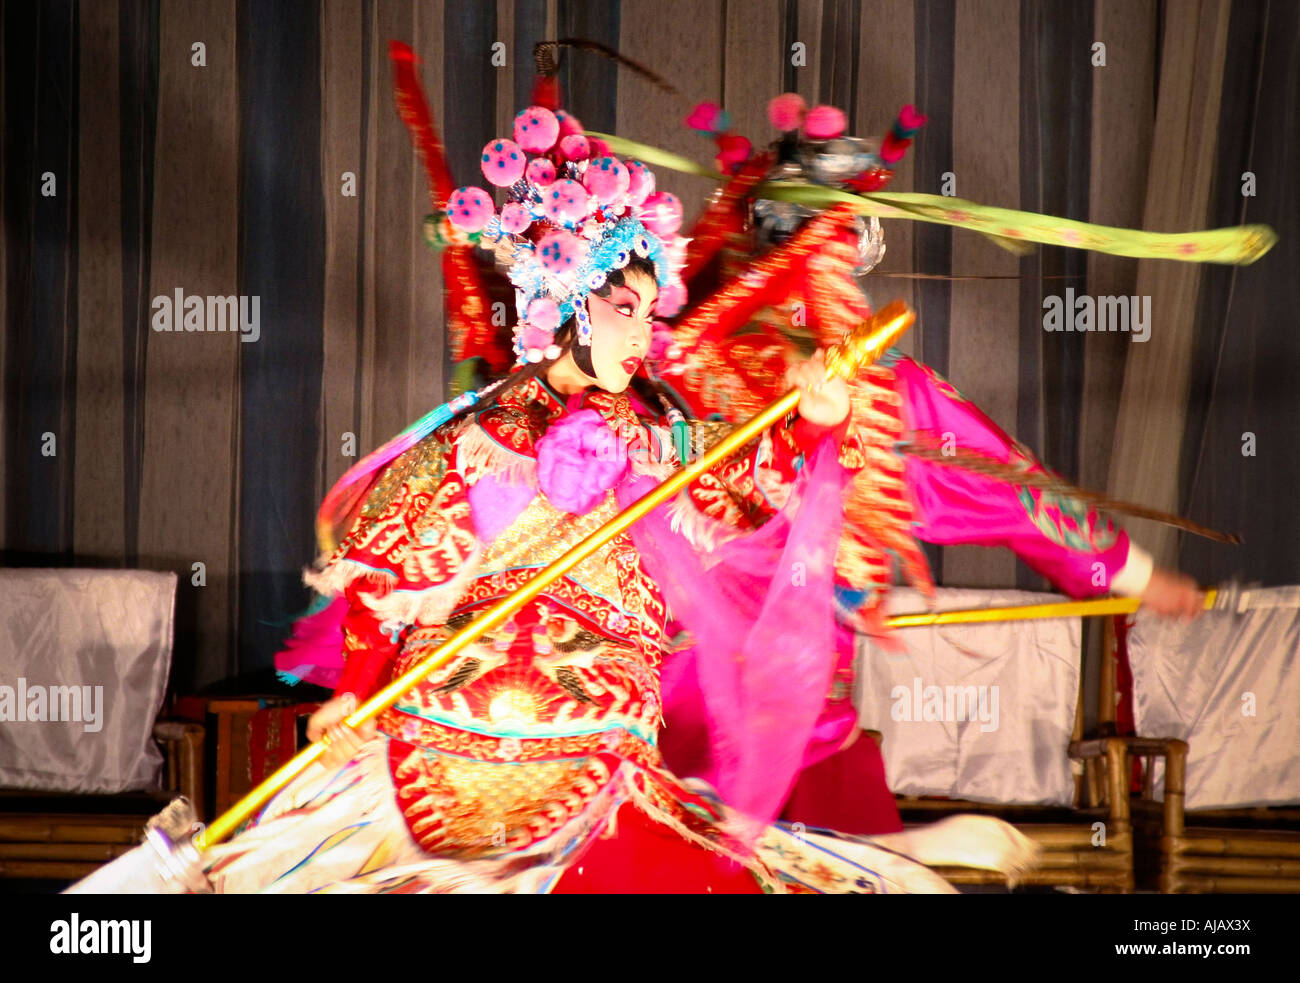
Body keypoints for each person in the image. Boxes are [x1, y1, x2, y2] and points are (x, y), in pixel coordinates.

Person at [204, 96, 1036, 895]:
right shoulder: (477, 437)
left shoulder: (658, 434)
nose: (645, 334)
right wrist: (352, 693)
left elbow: (744, 484)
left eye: (649, 311)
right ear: (566, 306)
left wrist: (813, 424)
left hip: (595, 747)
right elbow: (386, 575)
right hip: (444, 742)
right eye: (625, 309)